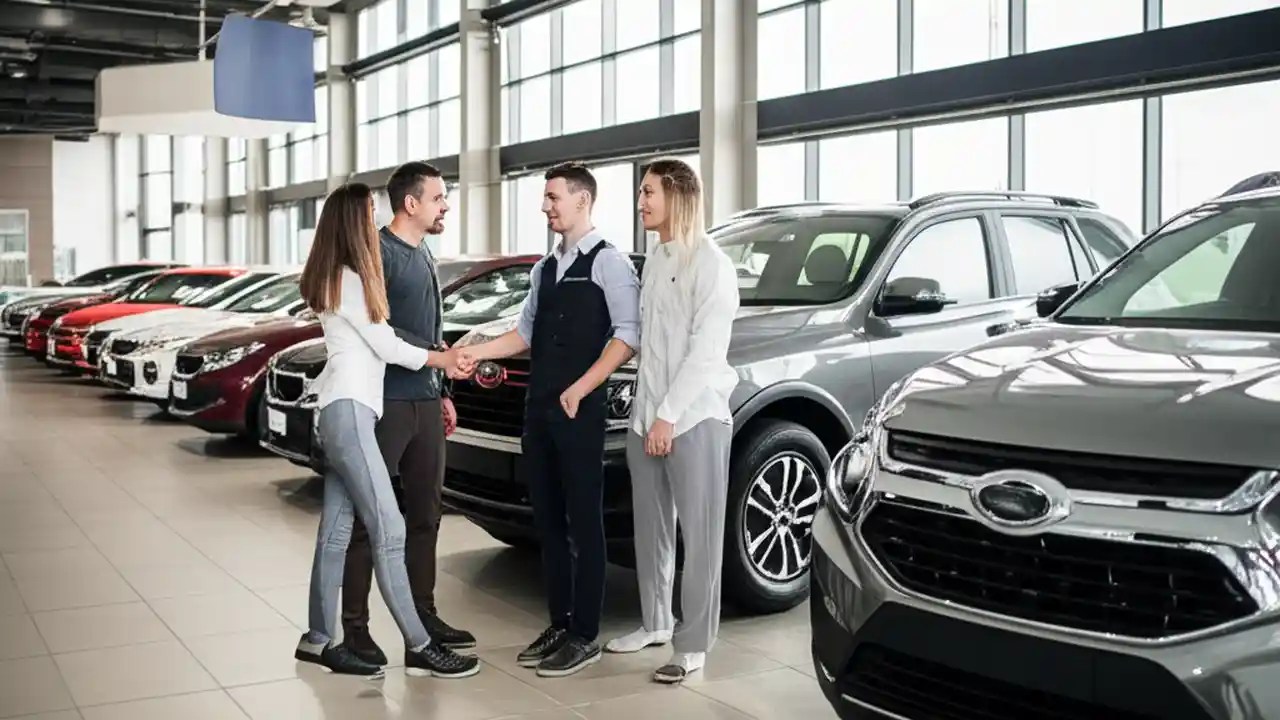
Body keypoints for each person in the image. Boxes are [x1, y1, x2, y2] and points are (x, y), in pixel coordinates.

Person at [456, 162, 640, 677]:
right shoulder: (544, 269)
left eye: (553, 197)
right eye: (545, 198)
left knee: (584, 520)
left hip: (581, 410)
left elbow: (628, 335)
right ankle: (560, 622)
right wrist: (470, 353)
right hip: (538, 411)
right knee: (548, 521)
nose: (545, 206)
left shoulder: (610, 263)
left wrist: (582, 387)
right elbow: (523, 335)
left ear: (582, 201)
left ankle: (585, 633)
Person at [293, 182, 480, 680]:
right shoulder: (347, 277)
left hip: (347, 408)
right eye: (370, 213)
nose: (376, 221)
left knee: (335, 532)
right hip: (350, 411)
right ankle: (419, 645)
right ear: (353, 222)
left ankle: (317, 639)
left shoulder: (342, 274)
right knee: (390, 526)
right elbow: (385, 343)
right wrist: (442, 358)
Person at [603, 158, 739, 684]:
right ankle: (656, 622)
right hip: (648, 419)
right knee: (652, 528)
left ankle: (693, 646)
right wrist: (646, 417)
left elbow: (705, 354)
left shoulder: (713, 264)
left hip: (694, 419)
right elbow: (650, 345)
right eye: (640, 193)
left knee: (700, 537)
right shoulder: (656, 259)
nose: (640, 202)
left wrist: (667, 416)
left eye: (648, 192)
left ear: (679, 195)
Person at [339, 162, 475, 667]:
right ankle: (355, 630)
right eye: (439, 198)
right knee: (366, 519)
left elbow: (427, 329)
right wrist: (439, 361)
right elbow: (382, 336)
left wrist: (439, 390)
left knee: (426, 515)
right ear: (411, 204)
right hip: (386, 403)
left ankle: (423, 618)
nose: (445, 206)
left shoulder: (424, 252)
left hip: (423, 398)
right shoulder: (377, 254)